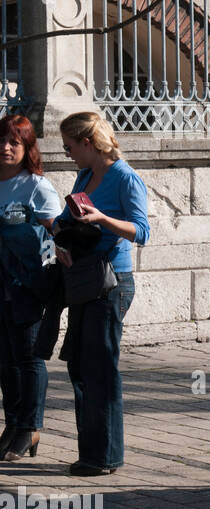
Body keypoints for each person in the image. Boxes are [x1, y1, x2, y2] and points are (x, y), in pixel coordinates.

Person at [52, 112, 149, 476]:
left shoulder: (125, 177)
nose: (68, 154)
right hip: (83, 278)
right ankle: (92, 450)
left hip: (111, 282)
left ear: (87, 144)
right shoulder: (85, 175)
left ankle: (104, 456)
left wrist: (102, 220)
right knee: (79, 363)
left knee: (100, 369)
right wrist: (59, 238)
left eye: (70, 146)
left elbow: (142, 231)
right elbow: (64, 218)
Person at [0, 115, 60, 463]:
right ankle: (12, 423)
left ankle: (30, 426)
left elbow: (56, 235)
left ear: (27, 148)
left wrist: (46, 280)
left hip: (27, 286)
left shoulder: (36, 186)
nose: (6, 148)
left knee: (28, 358)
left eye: (15, 142)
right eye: (2, 141)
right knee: (5, 361)